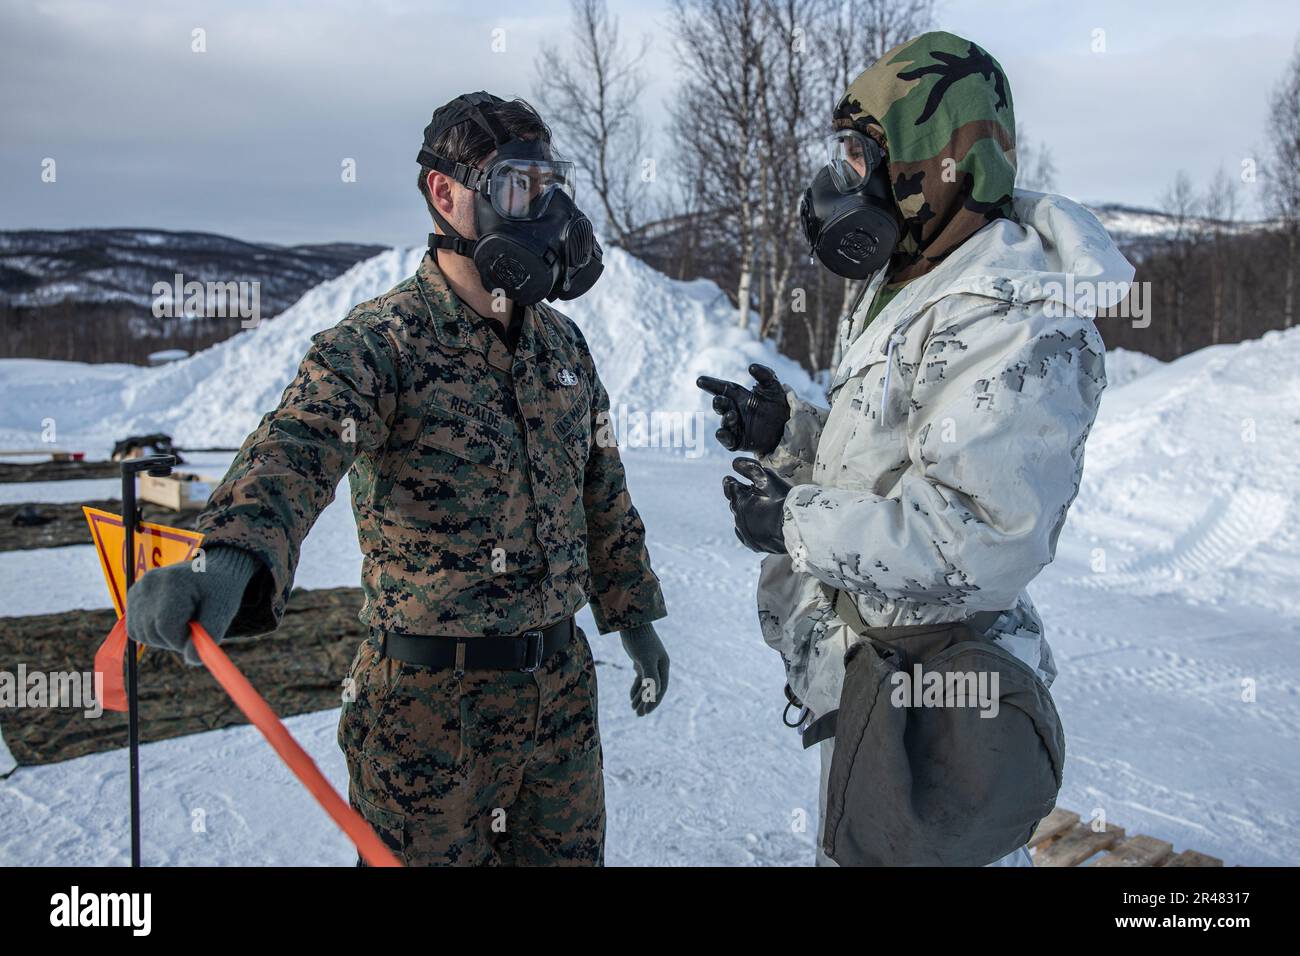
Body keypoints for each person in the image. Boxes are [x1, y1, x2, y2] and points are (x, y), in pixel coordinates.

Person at [125, 92, 670, 866]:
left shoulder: (563, 348)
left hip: (560, 706)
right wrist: (228, 555)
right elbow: (295, 448)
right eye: (516, 184)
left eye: (546, 185)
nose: (541, 207)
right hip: (427, 723)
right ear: (446, 193)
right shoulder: (381, 344)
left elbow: (602, 494)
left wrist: (634, 619)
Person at [700, 32, 1133, 866]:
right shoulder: (913, 273)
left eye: (865, 155)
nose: (844, 181)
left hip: (943, 704)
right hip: (873, 680)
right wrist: (787, 434)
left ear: (942, 163)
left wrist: (793, 522)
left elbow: (968, 539)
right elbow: (887, 462)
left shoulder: (1016, 315)